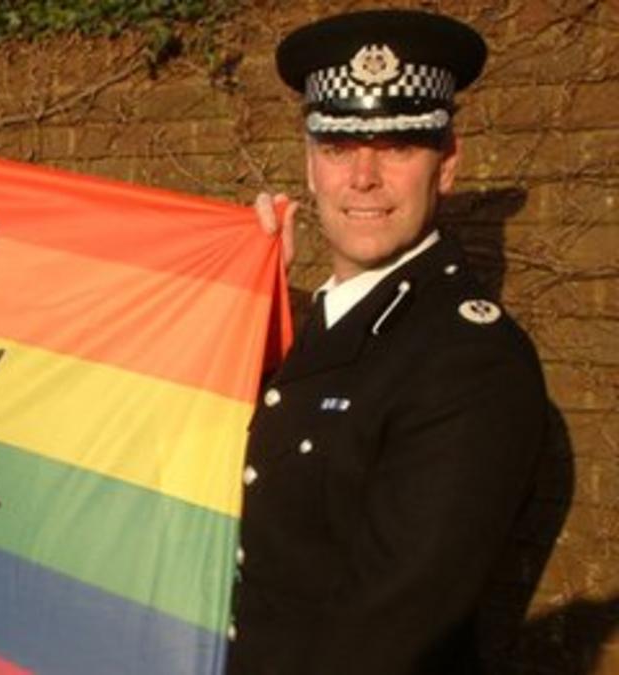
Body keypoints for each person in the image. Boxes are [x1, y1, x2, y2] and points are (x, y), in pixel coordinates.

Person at [231, 10, 547, 674]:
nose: (364, 177)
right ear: (310, 166)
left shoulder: (472, 361)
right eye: (339, 147)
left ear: (448, 163)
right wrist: (247, 297)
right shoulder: (318, 323)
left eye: (399, 145)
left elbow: (382, 638)